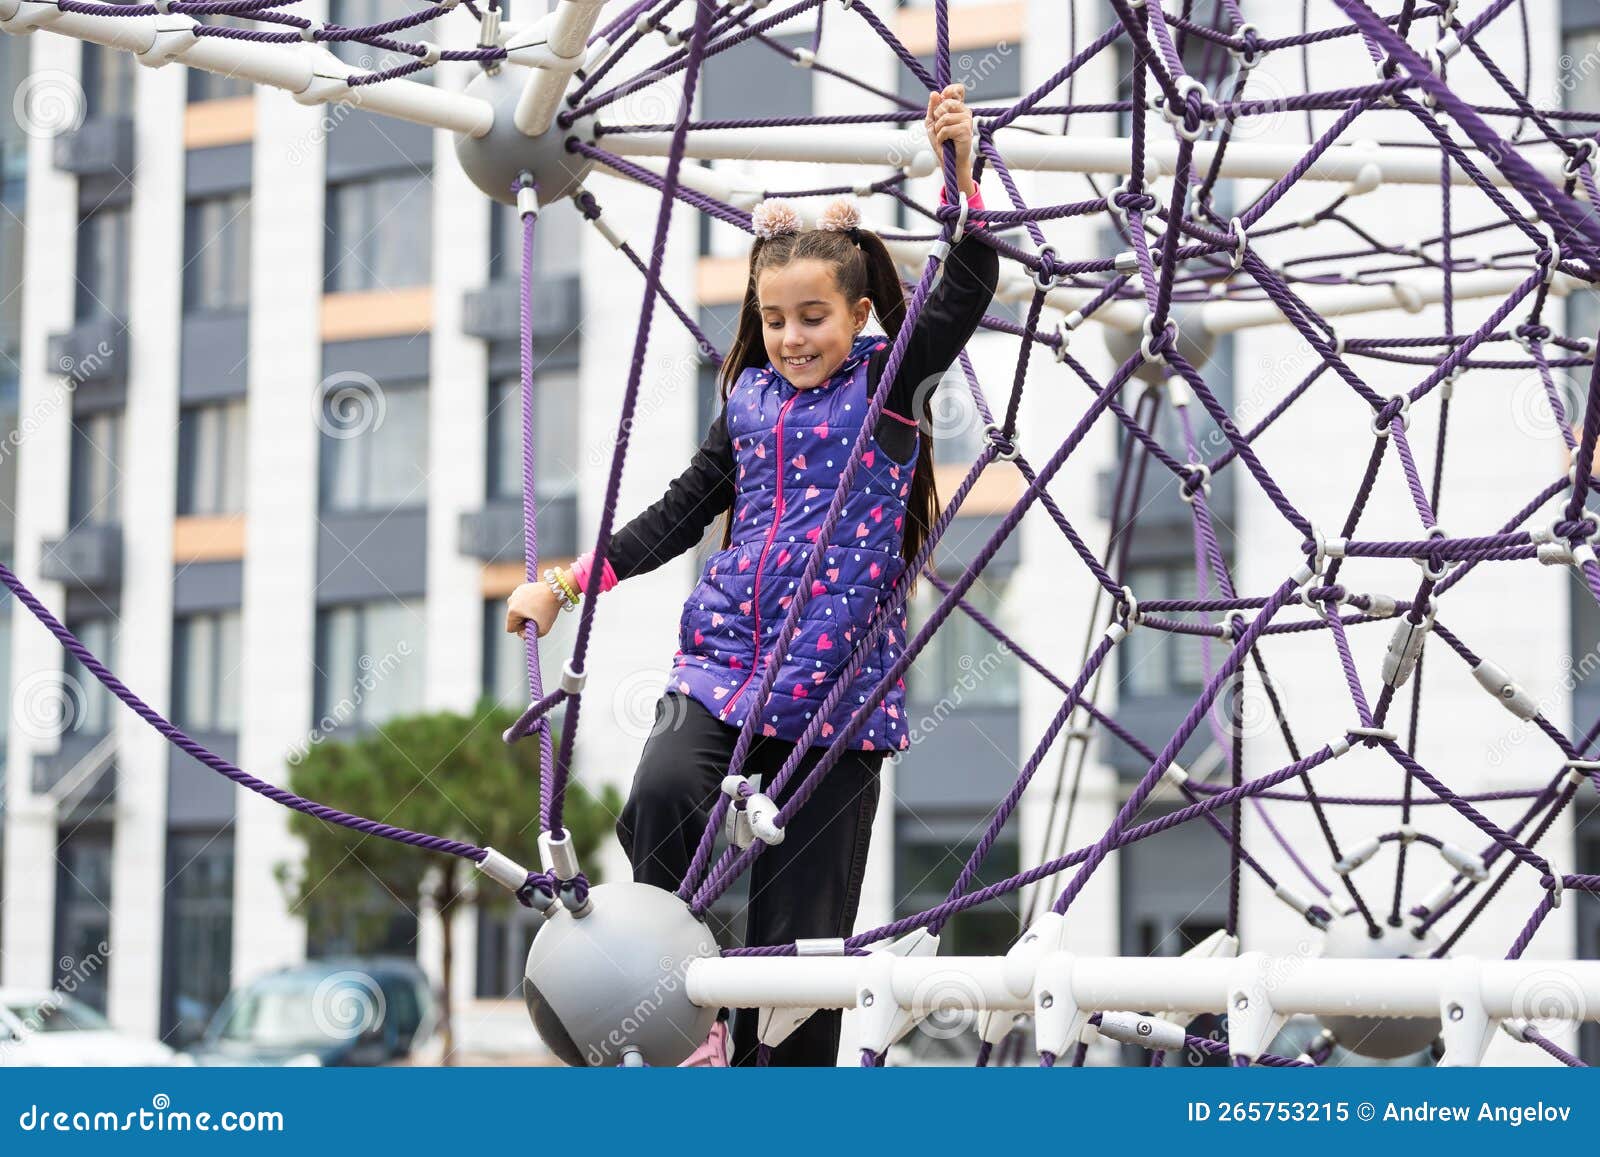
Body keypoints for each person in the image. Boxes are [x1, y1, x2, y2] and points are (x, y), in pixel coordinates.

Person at [505, 84, 997, 1066]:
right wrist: (565, 584)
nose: (792, 338)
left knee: (798, 955)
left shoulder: (888, 388)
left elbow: (964, 289)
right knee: (658, 793)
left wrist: (960, 178)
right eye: (774, 320)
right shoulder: (748, 404)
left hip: (837, 695)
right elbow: (680, 511)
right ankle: (680, 1003)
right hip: (725, 662)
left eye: (813, 316)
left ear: (860, 314)